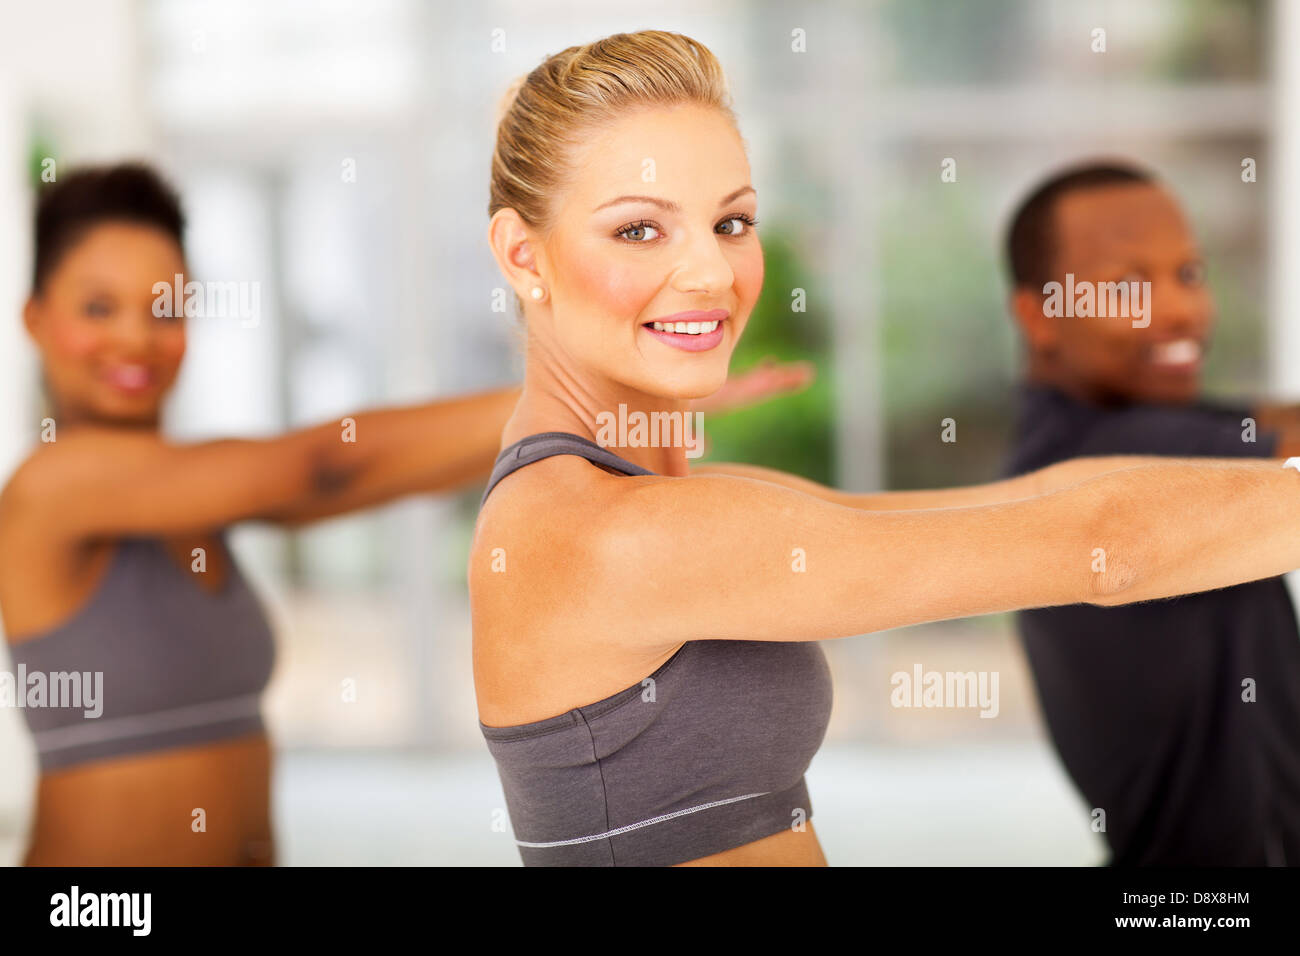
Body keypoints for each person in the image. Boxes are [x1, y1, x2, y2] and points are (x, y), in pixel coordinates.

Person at [471, 29, 1300, 868]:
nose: (711, 274)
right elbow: (1101, 547)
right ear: (521, 254)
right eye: (640, 232)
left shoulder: (659, 505)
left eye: (731, 222)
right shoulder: (605, 536)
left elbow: (1037, 499)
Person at [1003, 161, 1300, 865]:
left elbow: (1270, 417)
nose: (1179, 311)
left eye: (1189, 275)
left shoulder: (1142, 419)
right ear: (1039, 315)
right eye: (1127, 284)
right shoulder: (1114, 457)